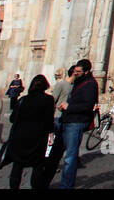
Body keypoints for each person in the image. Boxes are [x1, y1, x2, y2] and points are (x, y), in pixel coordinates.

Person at [6, 74, 56, 190]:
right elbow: (49, 121)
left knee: (17, 165)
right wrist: (51, 135)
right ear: (45, 86)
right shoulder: (48, 99)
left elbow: (12, 119)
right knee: (38, 164)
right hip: (37, 137)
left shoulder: (23, 100)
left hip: (20, 136)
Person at [57, 59, 99, 188]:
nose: (75, 73)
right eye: (75, 71)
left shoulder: (90, 84)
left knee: (70, 157)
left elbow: (87, 105)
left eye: (78, 71)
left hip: (76, 122)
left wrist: (68, 107)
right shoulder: (79, 81)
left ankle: (66, 186)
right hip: (67, 120)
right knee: (61, 153)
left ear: (86, 72)